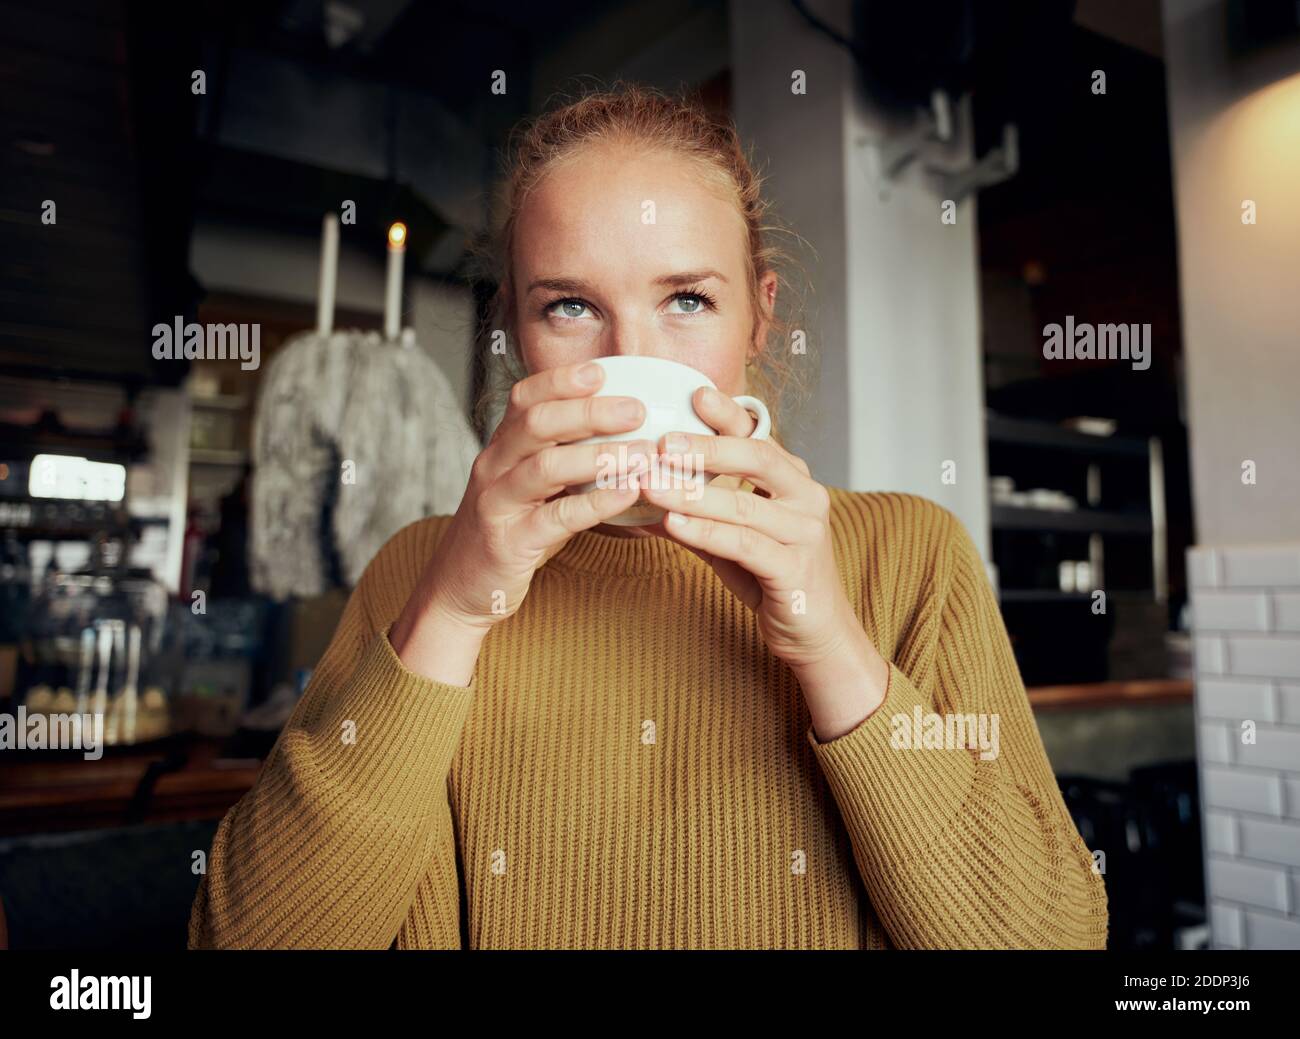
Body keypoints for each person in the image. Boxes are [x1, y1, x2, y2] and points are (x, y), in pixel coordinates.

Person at [189, 84, 1108, 950]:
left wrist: (832, 645)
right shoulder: (420, 567)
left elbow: (1051, 937)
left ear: (758, 314)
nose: (631, 357)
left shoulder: (910, 556)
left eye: (687, 299)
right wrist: (455, 609)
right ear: (512, 327)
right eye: (572, 305)